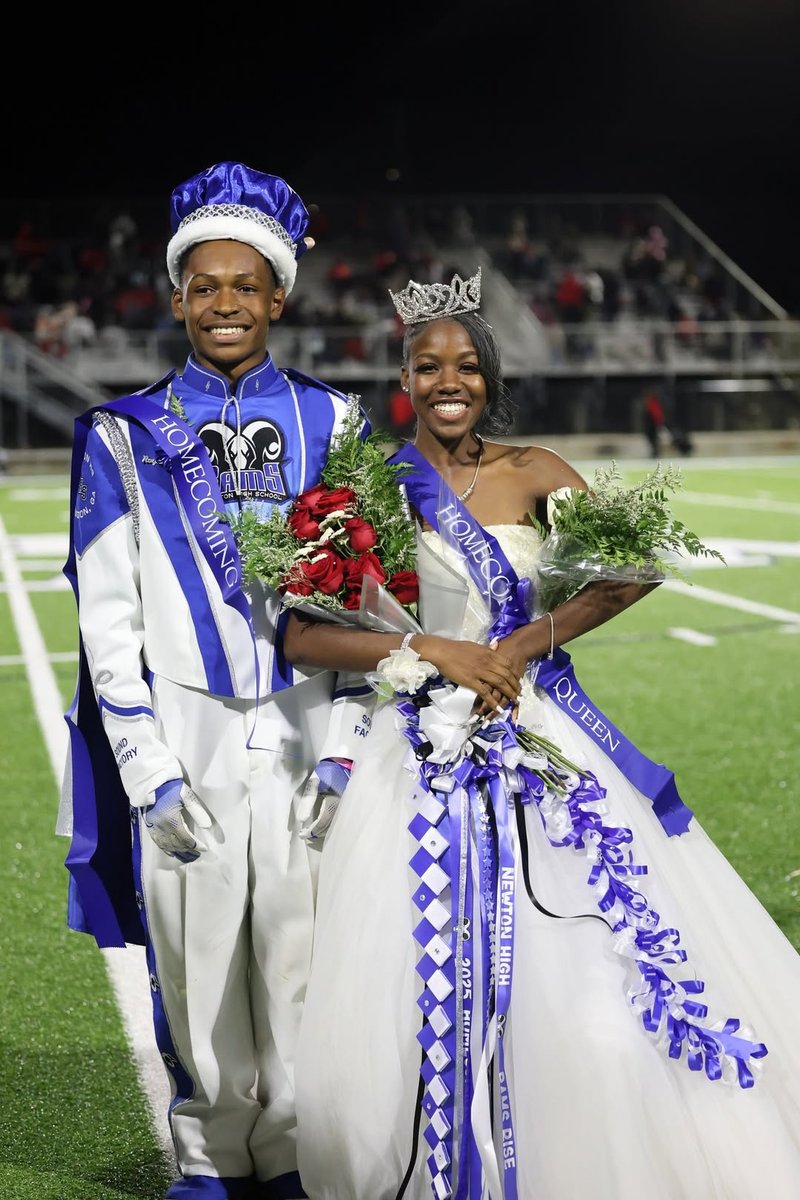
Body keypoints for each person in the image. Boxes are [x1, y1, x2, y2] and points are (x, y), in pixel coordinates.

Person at [283, 268, 800, 1198]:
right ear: (404, 377)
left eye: (468, 365)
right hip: (416, 750)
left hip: (540, 730)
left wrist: (523, 640)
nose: (451, 381)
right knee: (415, 976)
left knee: (590, 964)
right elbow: (302, 630)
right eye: (429, 364)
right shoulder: (366, 486)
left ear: (489, 377)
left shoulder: (534, 470)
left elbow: (631, 567)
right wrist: (439, 651)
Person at [59, 160, 372, 1200]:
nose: (225, 304)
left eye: (246, 286)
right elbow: (107, 613)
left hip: (301, 720)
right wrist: (143, 761)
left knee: (298, 948)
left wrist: (341, 752)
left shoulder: (340, 424)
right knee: (195, 953)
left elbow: (369, 602)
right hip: (183, 721)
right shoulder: (120, 434)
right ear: (177, 295)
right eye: (205, 286)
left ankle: (284, 1146)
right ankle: (205, 1151)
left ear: (278, 296)